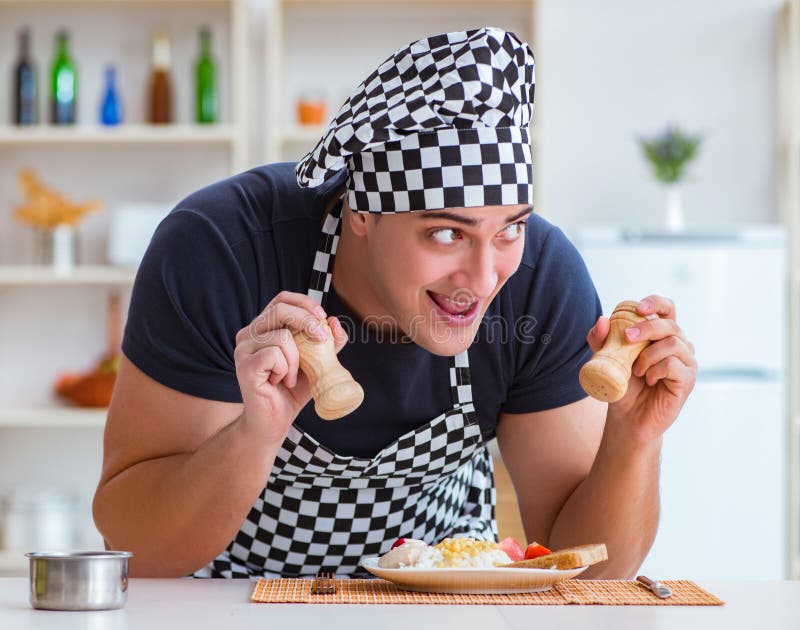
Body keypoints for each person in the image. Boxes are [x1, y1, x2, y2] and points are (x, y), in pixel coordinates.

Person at [92, 27, 696, 579]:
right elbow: (138, 548)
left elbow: (585, 571)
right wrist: (256, 433)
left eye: (509, 229)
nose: (483, 279)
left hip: (452, 602)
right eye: (445, 234)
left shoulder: (540, 278)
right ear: (360, 211)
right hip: (230, 605)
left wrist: (634, 440)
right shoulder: (219, 249)